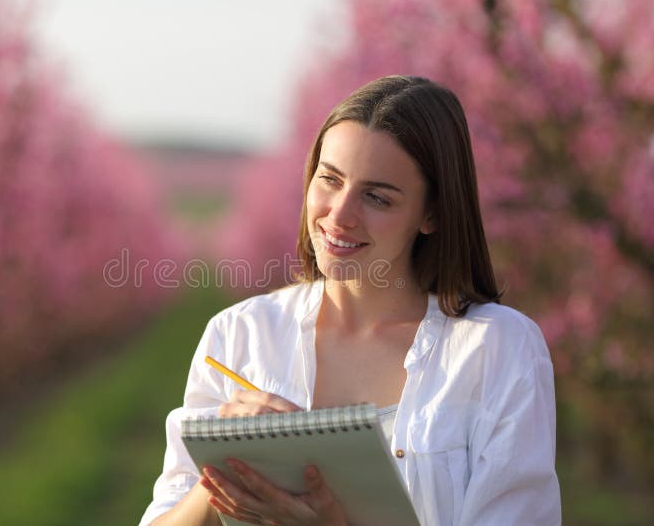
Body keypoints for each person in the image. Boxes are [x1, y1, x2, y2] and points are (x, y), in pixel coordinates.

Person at [139, 75, 561, 525]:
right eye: (330, 180)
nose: (339, 216)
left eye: (377, 197)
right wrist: (226, 469)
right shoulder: (239, 336)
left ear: (432, 214)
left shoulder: (497, 350)